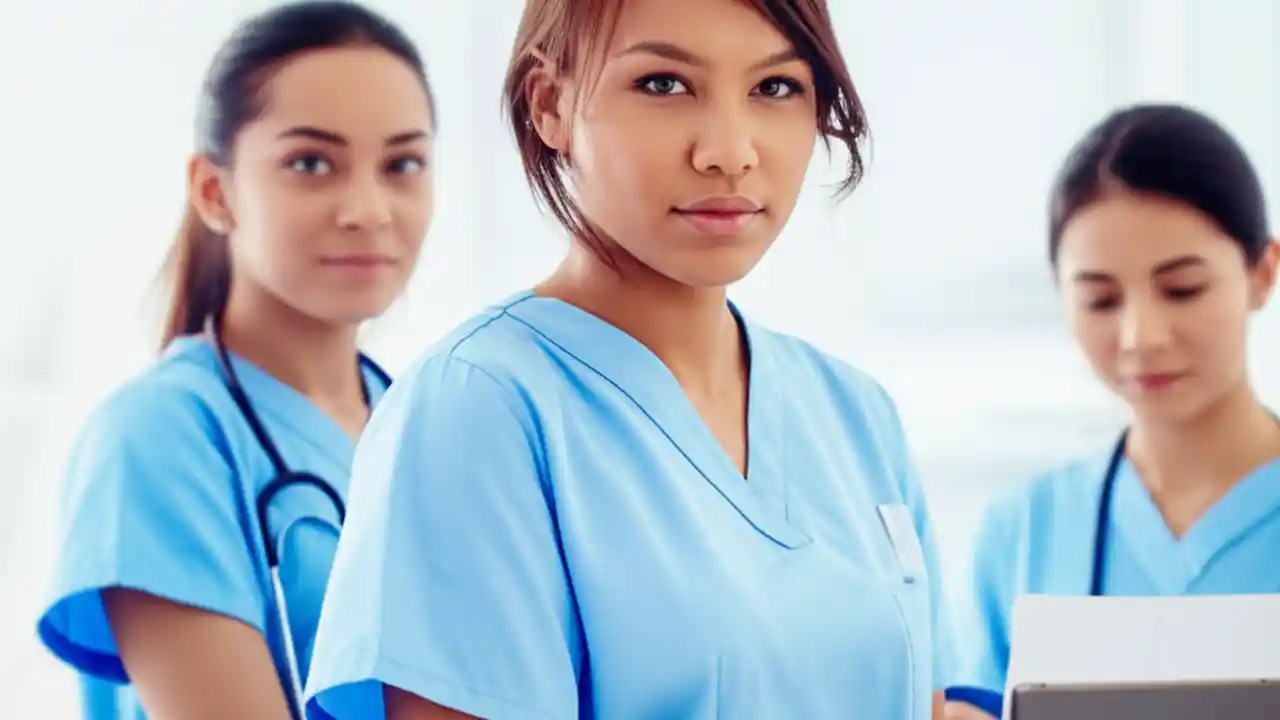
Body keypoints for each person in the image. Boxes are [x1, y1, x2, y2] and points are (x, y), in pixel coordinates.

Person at [306, 0, 953, 718]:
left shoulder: (854, 411)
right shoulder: (478, 407)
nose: (730, 151)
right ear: (549, 103)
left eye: (775, 88)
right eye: (665, 85)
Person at [34, 3, 436, 718]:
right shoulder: (157, 438)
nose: (369, 208)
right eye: (311, 163)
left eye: (402, 163)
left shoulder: (426, 429)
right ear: (215, 192)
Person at [945, 104, 1280, 719]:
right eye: (1100, 299)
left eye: (1182, 290)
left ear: (1263, 272)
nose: (1140, 336)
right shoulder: (1025, 531)